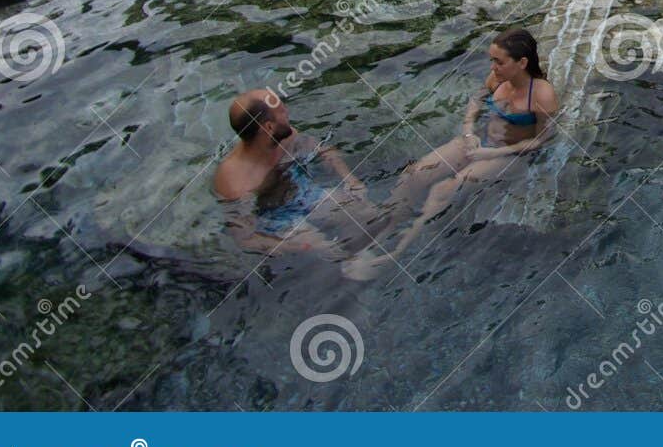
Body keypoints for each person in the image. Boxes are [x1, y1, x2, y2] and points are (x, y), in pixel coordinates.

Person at [341, 29, 558, 281]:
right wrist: (468, 130)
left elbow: (543, 138)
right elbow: (477, 99)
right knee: (415, 174)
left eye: (499, 61)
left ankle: (394, 255)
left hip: (511, 156)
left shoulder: (541, 94)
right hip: (480, 143)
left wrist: (496, 151)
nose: (493, 66)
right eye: (491, 60)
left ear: (521, 63)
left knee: (442, 190)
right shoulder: (497, 78)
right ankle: (382, 231)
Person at [213, 89, 371, 256]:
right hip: (272, 217)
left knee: (362, 210)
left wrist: (350, 179)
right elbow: (246, 239)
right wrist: (290, 247)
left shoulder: (283, 136)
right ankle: (349, 263)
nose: (287, 111)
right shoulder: (234, 182)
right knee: (323, 248)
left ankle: (364, 251)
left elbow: (321, 150)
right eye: (281, 110)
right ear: (268, 127)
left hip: (300, 191)